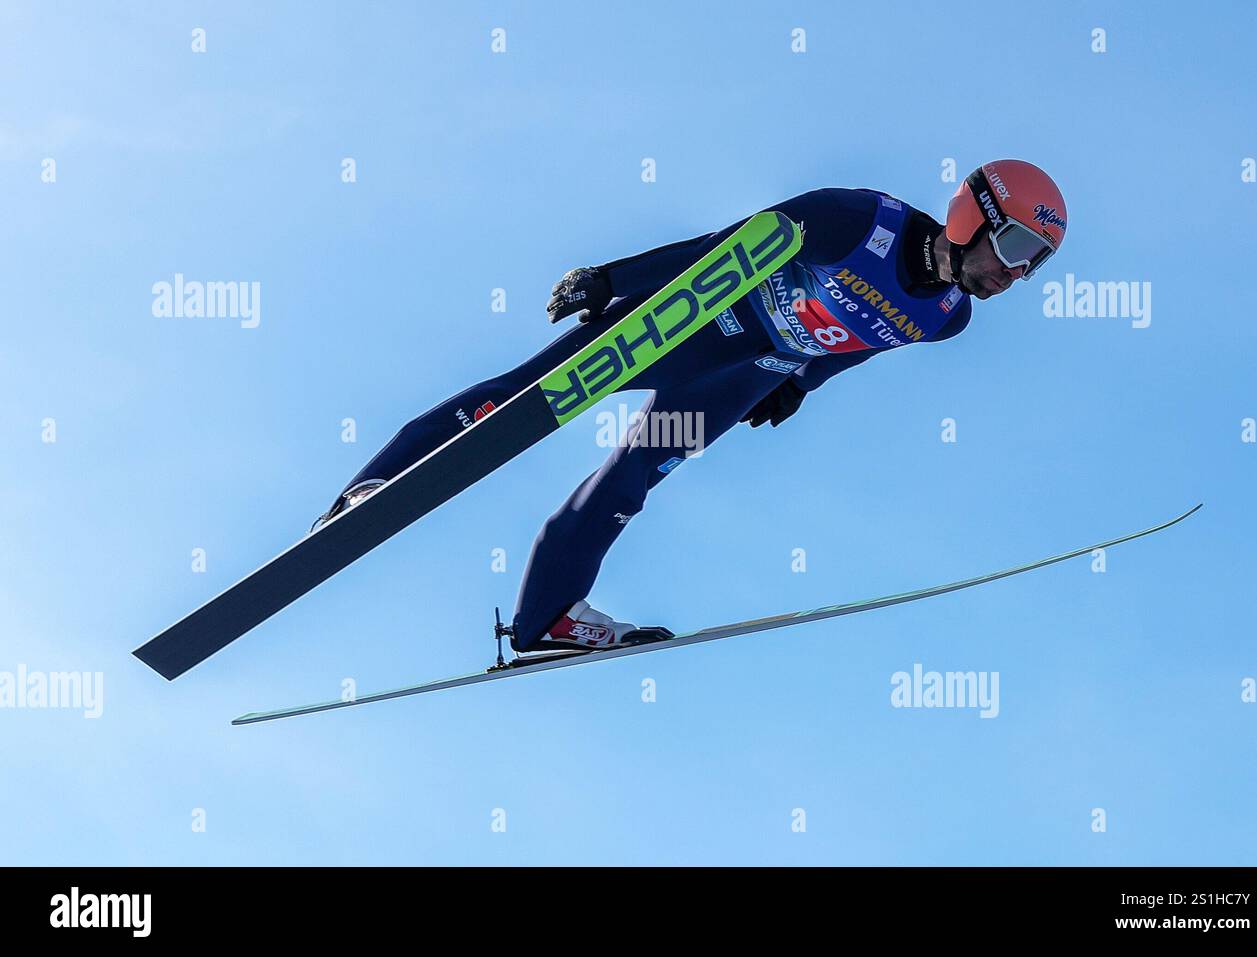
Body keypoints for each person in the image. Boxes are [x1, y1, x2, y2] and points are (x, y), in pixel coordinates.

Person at [314, 160, 1068, 655]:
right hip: (686, 322)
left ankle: (547, 618)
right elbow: (725, 247)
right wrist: (614, 279)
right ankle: (372, 487)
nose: (1017, 273)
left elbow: (867, 339)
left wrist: (797, 384)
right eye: (1015, 247)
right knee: (527, 397)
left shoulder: (948, 318)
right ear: (975, 217)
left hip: (738, 374)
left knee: (630, 479)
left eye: (1034, 262)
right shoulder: (855, 219)